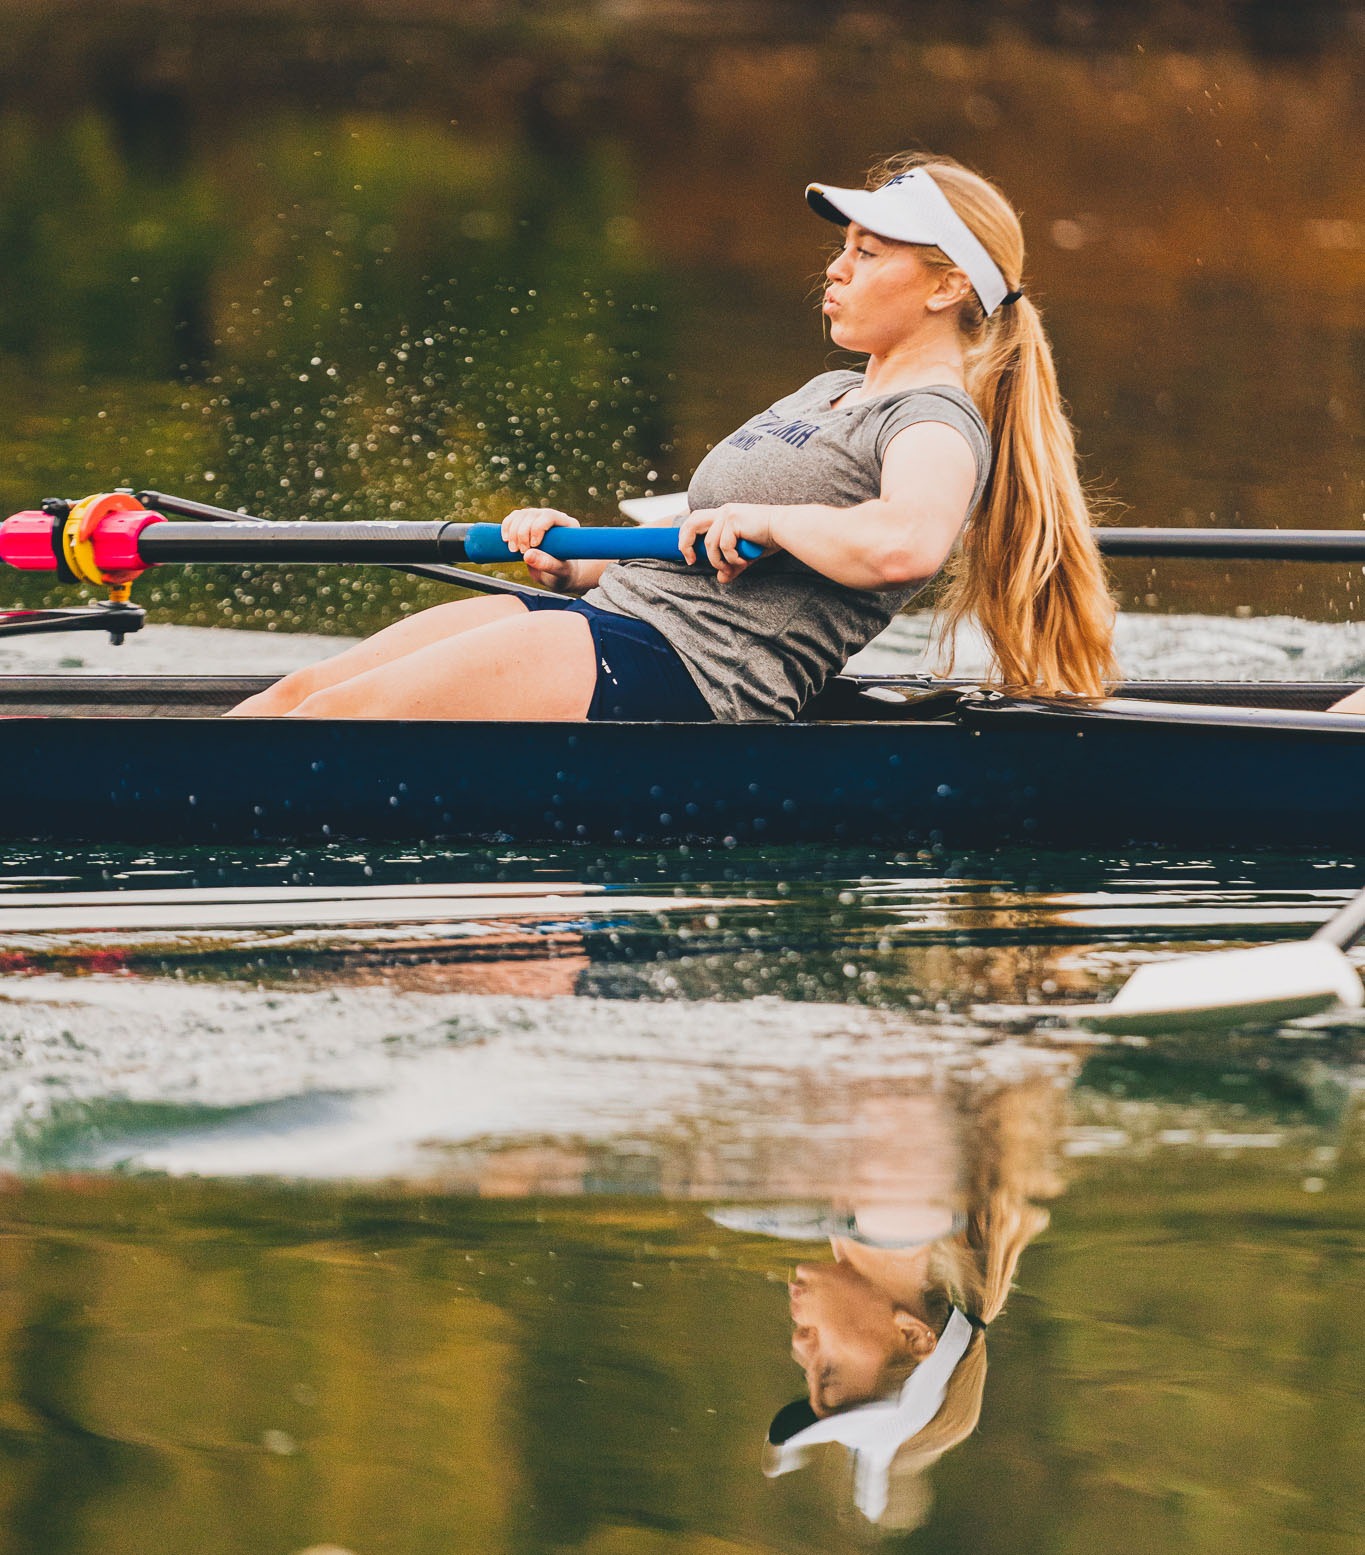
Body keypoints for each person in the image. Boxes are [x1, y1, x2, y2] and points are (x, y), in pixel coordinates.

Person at [229, 152, 1116, 722]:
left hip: (693, 677)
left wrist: (770, 524)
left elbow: (903, 543)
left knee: (342, 722)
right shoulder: (829, 390)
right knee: (300, 697)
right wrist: (575, 557)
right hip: (614, 621)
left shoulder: (934, 421)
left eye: (868, 252)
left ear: (943, 287)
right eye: (842, 245)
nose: (836, 269)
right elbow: (692, 533)